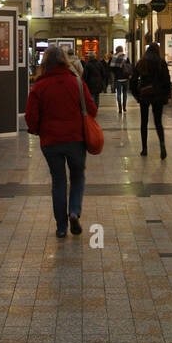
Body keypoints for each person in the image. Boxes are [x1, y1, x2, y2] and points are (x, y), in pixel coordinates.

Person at [26, 45, 97, 238]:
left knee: (58, 181)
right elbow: (92, 109)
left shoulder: (39, 86)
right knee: (77, 175)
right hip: (76, 138)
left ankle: (61, 227)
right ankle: (74, 211)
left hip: (50, 141)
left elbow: (31, 116)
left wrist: (36, 130)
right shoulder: (76, 82)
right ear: (65, 61)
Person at [130, 43, 171, 159]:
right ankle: (162, 145)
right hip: (158, 95)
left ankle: (144, 148)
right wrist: (166, 96)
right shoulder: (161, 62)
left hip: (145, 94)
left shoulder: (142, 61)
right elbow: (167, 81)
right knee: (158, 122)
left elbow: (133, 80)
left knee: (144, 122)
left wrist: (137, 95)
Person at [111, 47, 132, 113]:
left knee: (119, 93)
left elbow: (112, 69)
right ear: (122, 50)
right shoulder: (126, 57)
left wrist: (116, 73)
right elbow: (129, 67)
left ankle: (120, 107)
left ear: (116, 50)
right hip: (125, 78)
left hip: (118, 79)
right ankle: (124, 107)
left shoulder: (114, 58)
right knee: (125, 93)